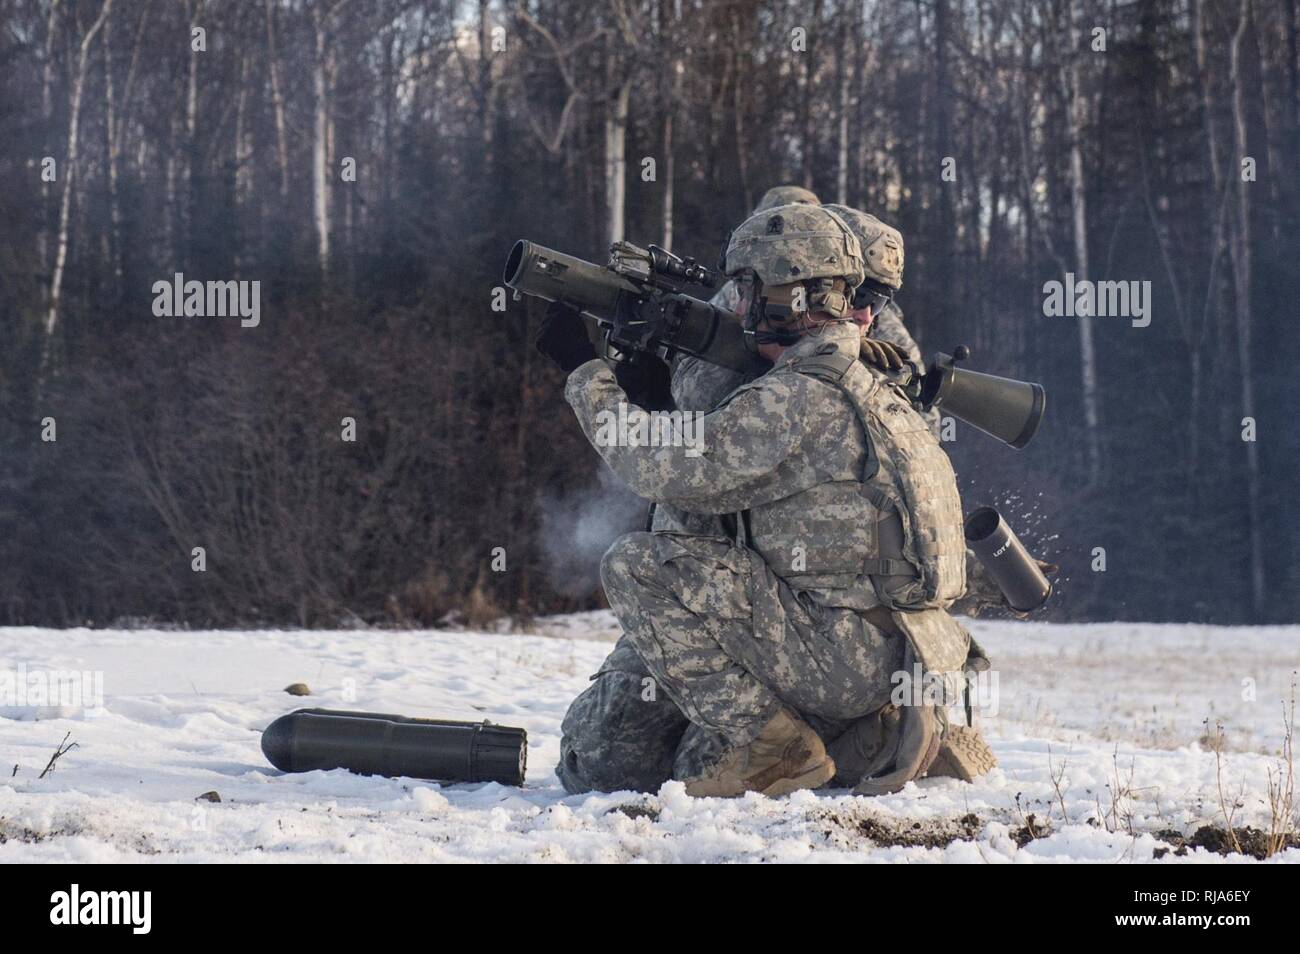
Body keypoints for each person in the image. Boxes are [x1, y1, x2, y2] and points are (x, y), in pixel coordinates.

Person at [539, 204, 985, 797]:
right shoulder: (872, 379)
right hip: (896, 654)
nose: (738, 305)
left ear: (787, 296)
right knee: (690, 762)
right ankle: (872, 741)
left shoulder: (800, 395)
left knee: (636, 564)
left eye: (747, 289)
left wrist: (583, 371)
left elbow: (660, 467)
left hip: (836, 653)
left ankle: (778, 750)